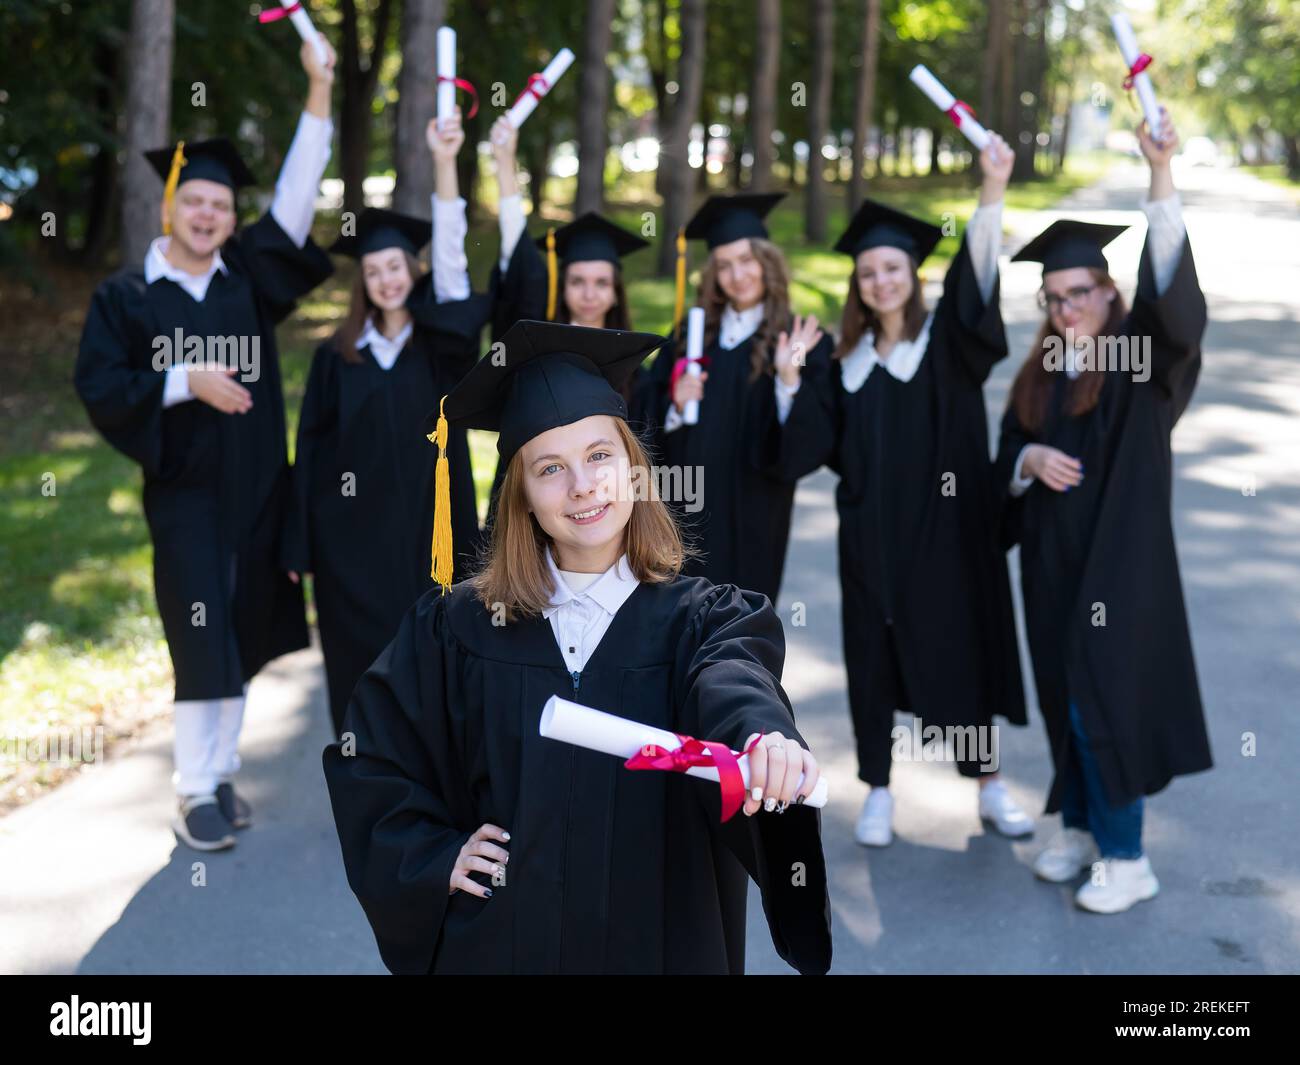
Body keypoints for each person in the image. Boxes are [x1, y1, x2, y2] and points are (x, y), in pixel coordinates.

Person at [322, 320, 833, 974]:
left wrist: (764, 740)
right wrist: (431, 856)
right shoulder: (459, 629)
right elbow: (371, 756)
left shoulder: (703, 619)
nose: (583, 486)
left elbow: (734, 685)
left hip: (659, 950)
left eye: (599, 455)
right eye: (550, 468)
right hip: (505, 950)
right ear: (523, 497)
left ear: (632, 467)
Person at [74, 40, 337, 851]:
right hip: (186, 494)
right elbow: (102, 386)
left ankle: (221, 772)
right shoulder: (127, 296)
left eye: (221, 206)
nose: (209, 216)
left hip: (255, 486)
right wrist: (186, 379)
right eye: (194, 202)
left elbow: (293, 200)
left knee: (244, 628)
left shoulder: (245, 277)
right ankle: (193, 788)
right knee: (198, 633)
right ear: (170, 207)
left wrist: (320, 89)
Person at [995, 109, 1211, 913]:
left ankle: (1128, 855)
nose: (1066, 308)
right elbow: (1001, 458)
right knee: (1065, 701)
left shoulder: (1141, 362)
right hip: (1052, 570)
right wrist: (1025, 460)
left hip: (1119, 574)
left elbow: (1182, 315)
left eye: (1079, 292)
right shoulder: (1043, 372)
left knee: (1104, 706)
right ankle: (1083, 831)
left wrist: (1161, 174)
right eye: (1053, 297)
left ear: (1108, 290)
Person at [809, 135, 1031, 848]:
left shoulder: (948, 343)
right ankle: (878, 788)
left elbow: (976, 285)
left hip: (948, 539)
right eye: (868, 271)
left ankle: (990, 786)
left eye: (893, 267)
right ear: (857, 283)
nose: (880, 280)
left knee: (959, 656)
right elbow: (820, 447)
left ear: (913, 272)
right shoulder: (843, 363)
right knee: (871, 661)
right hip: (870, 543)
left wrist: (990, 191)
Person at [281, 107, 490, 738]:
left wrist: (445, 162)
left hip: (434, 536)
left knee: (437, 656)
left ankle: (439, 776)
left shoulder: (441, 345)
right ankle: (364, 770)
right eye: (373, 272)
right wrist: (301, 542)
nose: (385, 279)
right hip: (352, 541)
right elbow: (310, 447)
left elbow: (455, 271)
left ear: (412, 270)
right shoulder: (336, 355)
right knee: (359, 665)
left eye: (395, 267)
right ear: (362, 283)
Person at [639, 194, 835, 604]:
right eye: (724, 266)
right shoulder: (687, 338)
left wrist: (787, 379)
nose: (737, 275)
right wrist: (675, 407)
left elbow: (809, 447)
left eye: (747, 261)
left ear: (767, 262)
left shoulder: (800, 340)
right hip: (687, 511)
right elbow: (645, 423)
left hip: (756, 514)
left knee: (741, 630)